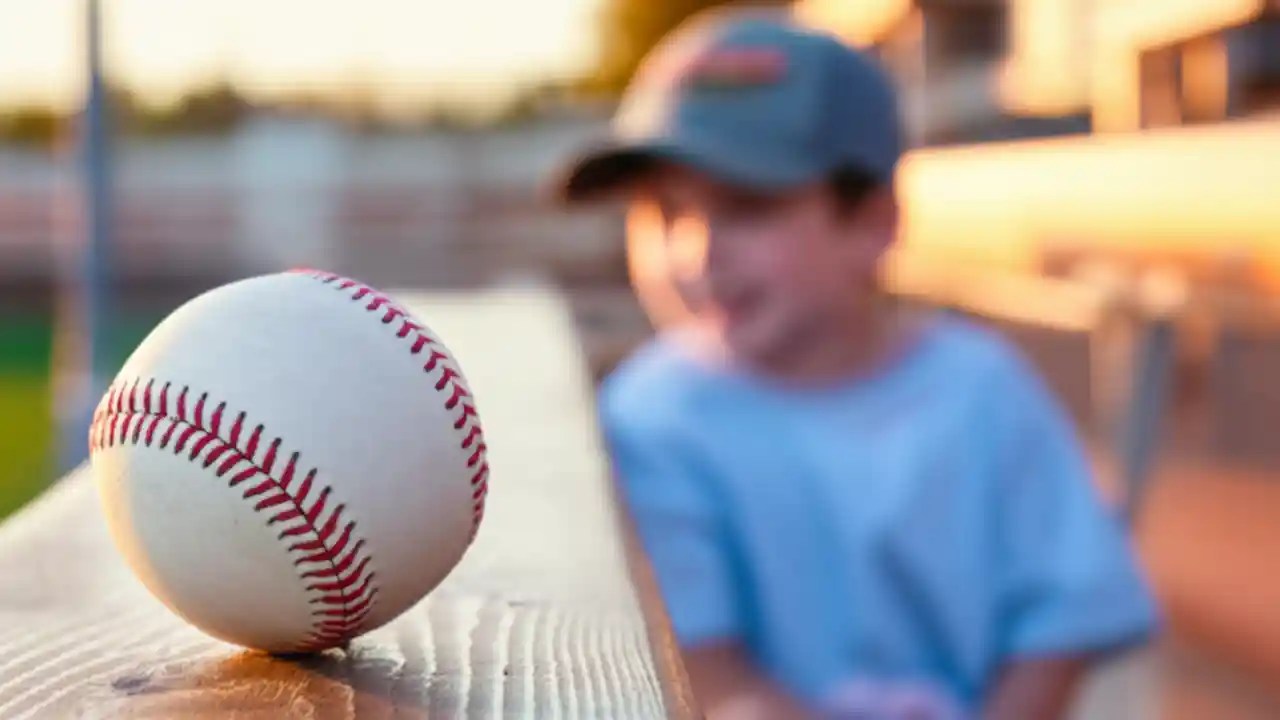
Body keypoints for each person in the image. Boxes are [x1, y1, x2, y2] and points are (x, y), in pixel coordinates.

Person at [552, 9, 1159, 719]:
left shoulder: (982, 388)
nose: (696, 252)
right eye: (665, 211)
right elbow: (711, 676)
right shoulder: (649, 417)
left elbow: (1056, 630)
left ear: (872, 224)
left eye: (748, 206)